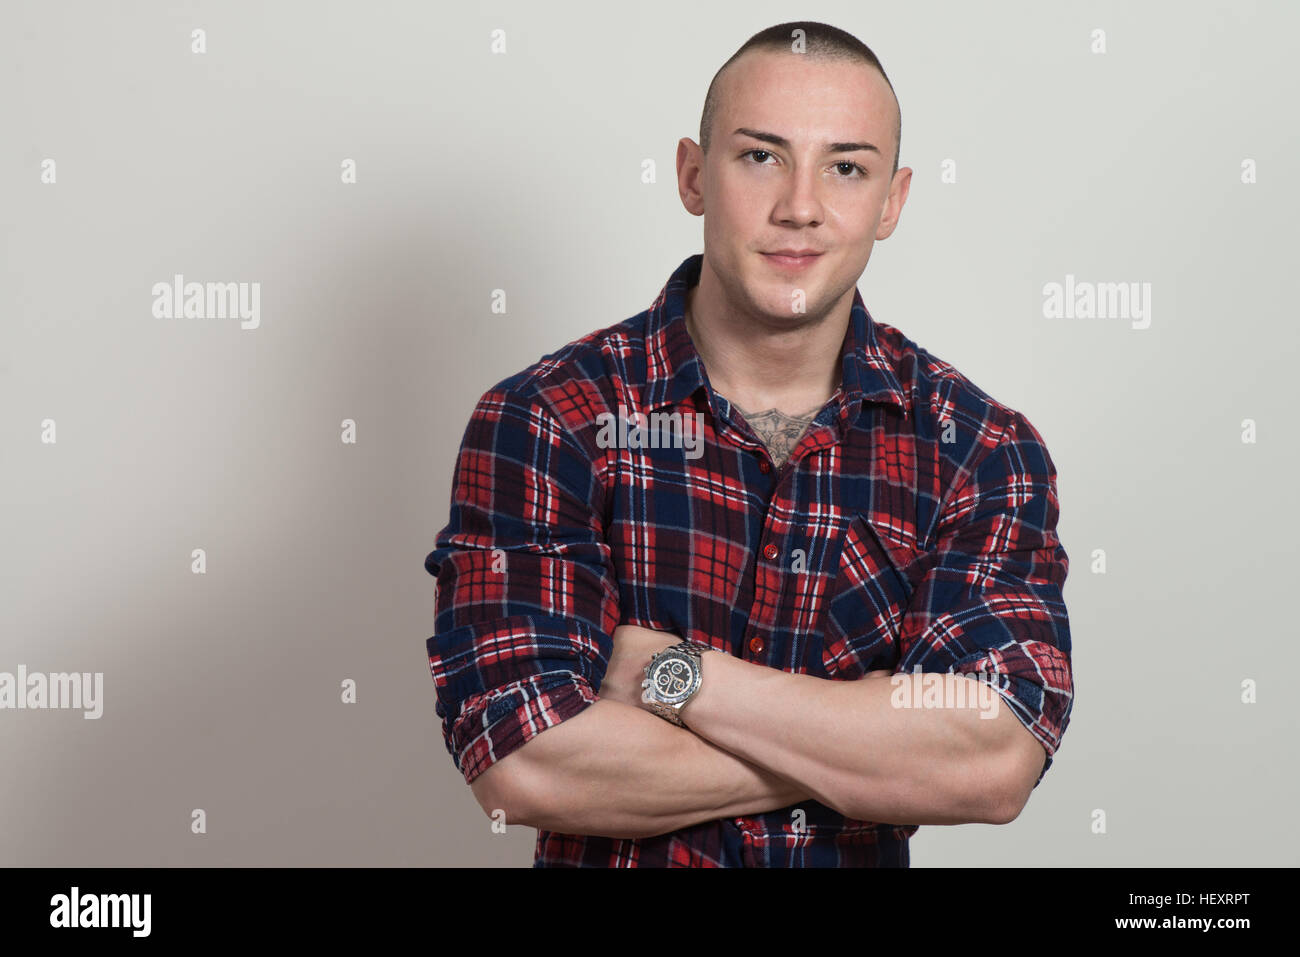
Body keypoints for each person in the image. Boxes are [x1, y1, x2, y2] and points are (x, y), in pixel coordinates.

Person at [423, 20, 1073, 867]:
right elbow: (524, 763)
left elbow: (992, 761)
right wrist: (863, 742)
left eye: (846, 167)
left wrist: (682, 678)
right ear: (694, 175)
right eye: (761, 156)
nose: (799, 206)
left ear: (892, 201)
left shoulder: (979, 447)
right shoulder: (549, 418)